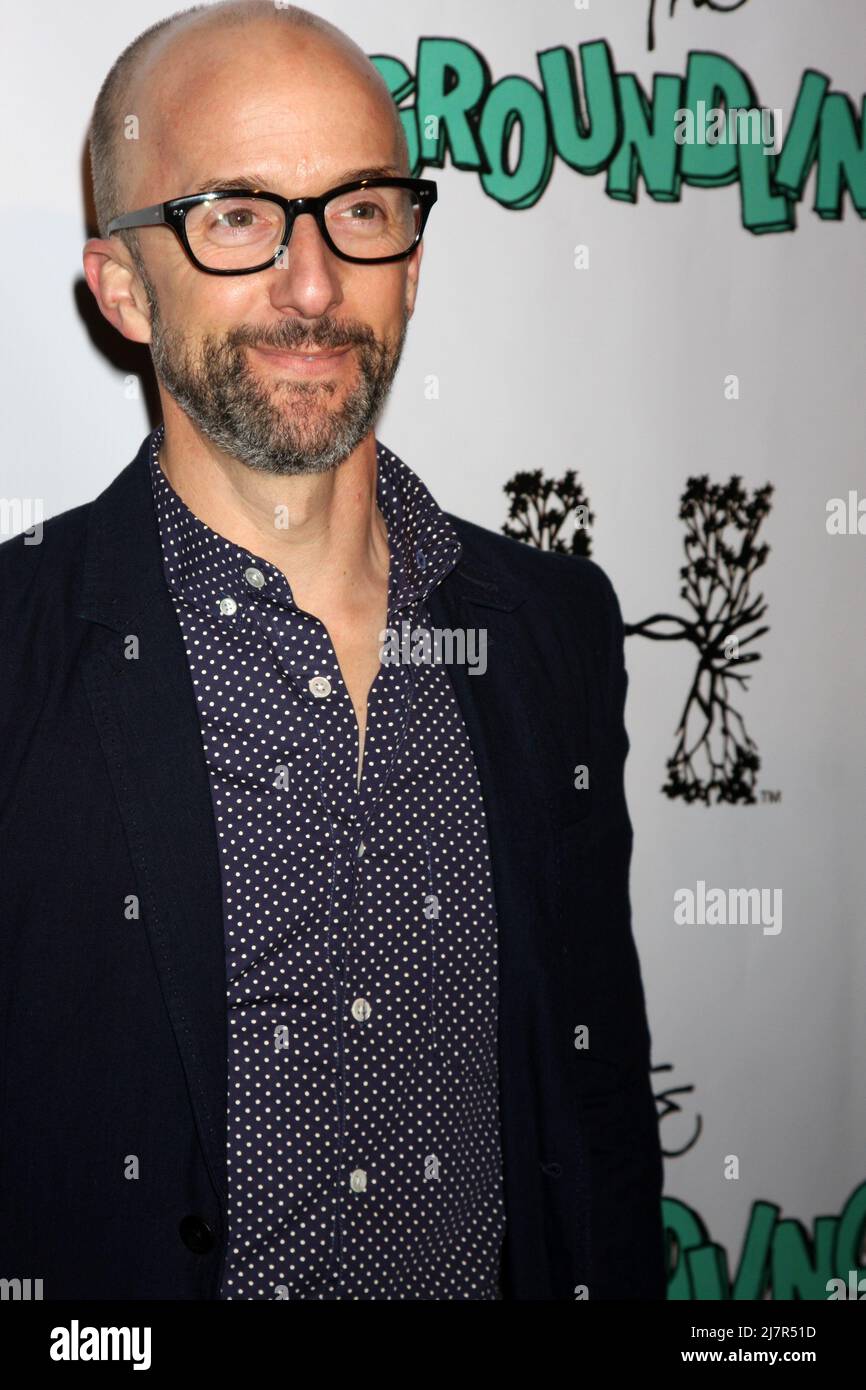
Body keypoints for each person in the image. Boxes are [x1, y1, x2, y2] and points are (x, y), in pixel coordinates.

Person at [0, 0, 664, 1300]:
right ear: (124, 286)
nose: (313, 285)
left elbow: (590, 1120)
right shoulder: (17, 654)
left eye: (360, 210)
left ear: (411, 262)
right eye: (237, 215)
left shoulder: (550, 631)